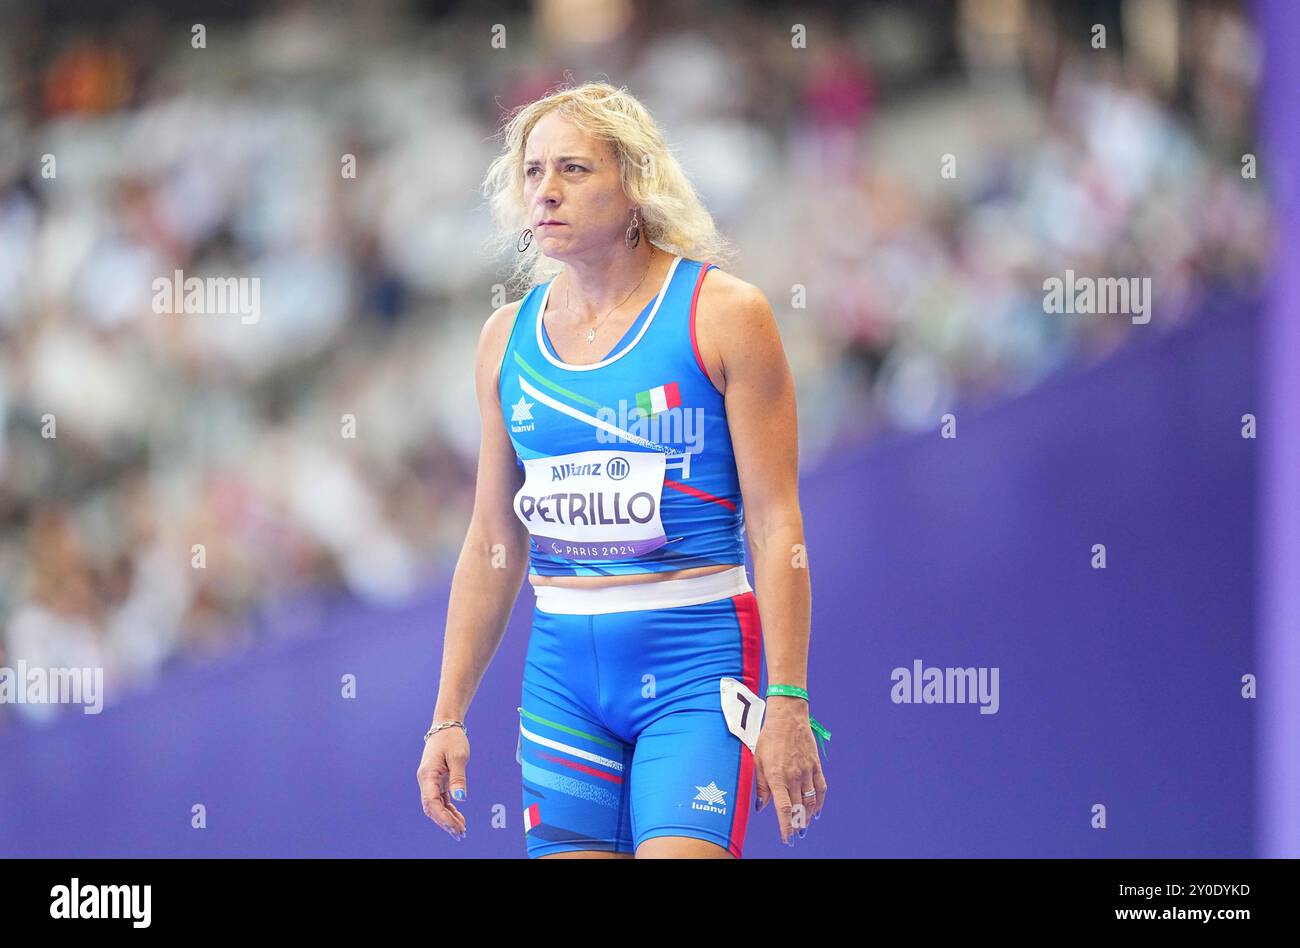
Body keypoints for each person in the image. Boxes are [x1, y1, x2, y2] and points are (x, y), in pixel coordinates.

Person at [417, 80, 827, 858]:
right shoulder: (505, 340)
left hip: (695, 665)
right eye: (533, 173)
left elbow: (777, 521)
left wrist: (788, 698)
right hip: (564, 682)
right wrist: (448, 714)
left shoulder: (724, 314)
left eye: (573, 169)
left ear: (636, 182)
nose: (546, 192)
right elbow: (491, 539)